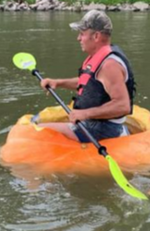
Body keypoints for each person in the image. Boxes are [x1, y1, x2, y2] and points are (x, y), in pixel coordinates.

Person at [37, 10, 136, 142]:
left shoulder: (109, 66)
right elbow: (89, 84)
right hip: (96, 123)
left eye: (82, 34)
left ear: (96, 36)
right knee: (34, 122)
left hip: (104, 128)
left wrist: (84, 114)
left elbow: (123, 106)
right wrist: (58, 82)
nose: (78, 38)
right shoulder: (98, 57)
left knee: (36, 130)